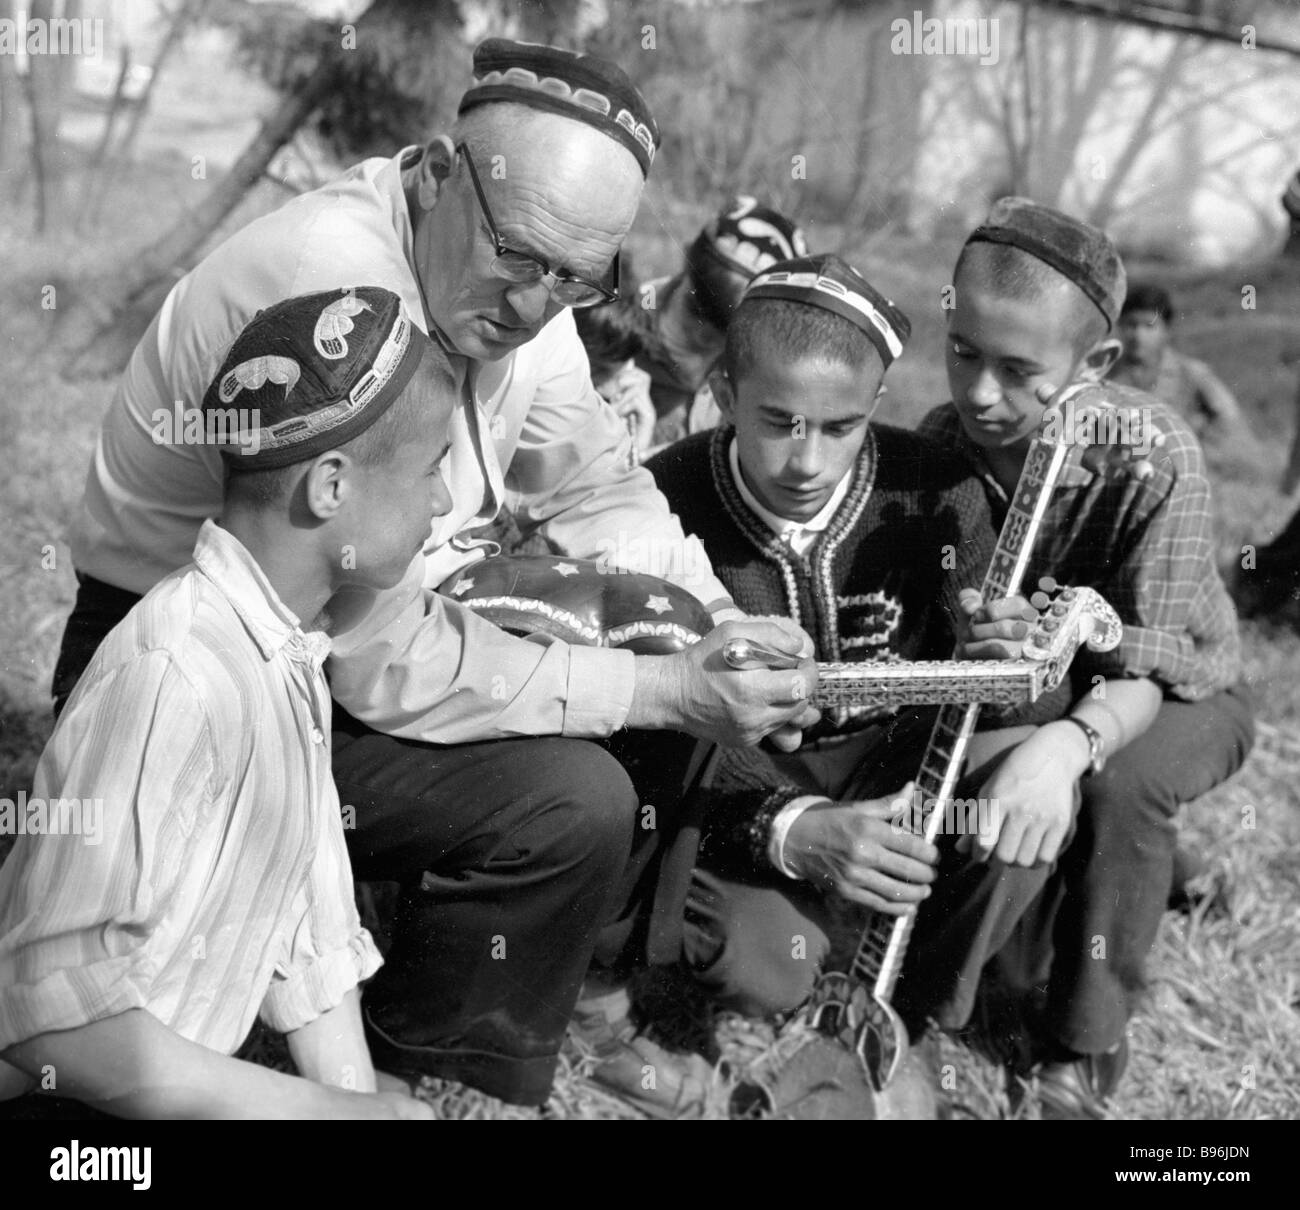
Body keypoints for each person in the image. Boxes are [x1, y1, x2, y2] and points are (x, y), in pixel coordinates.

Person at [50, 38, 819, 1115]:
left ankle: (539, 1016)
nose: (537, 304)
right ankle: (433, 1065)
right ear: (442, 169)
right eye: (522, 256)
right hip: (183, 667)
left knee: (639, 665)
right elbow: (373, 653)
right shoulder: (337, 290)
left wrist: (712, 620)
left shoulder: (516, 294)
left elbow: (593, 485)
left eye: (578, 275)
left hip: (312, 642)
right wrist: (656, 687)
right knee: (578, 791)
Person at [0, 288, 448, 1120]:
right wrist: (332, 1114)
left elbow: (308, 948)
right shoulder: (176, 675)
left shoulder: (287, 651)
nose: (445, 501)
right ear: (331, 486)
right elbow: (45, 1022)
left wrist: (353, 1106)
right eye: (432, 466)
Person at [917, 198, 1254, 1118]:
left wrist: (1068, 746)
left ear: (1095, 365)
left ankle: (1084, 1041)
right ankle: (1153, 882)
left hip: (1177, 686)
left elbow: (1149, 659)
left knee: (1119, 788)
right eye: (963, 352)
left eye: (1019, 370)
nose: (981, 393)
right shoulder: (946, 442)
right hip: (1045, 681)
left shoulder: (1155, 458)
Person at [646, 254, 1016, 1025]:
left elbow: (1019, 701)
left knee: (1017, 791)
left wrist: (1014, 665)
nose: (809, 462)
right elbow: (652, 731)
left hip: (901, 767)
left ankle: (926, 1014)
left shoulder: (938, 490)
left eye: (841, 426)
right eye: (778, 423)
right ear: (722, 395)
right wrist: (788, 827)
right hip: (734, 780)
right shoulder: (658, 500)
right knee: (768, 969)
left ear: (877, 403)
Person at [632, 195, 807, 453]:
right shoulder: (613, 330)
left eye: (727, 330)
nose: (705, 337)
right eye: (696, 310)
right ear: (687, 261)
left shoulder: (753, 377)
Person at [1109, 282, 1257, 458]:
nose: (1138, 335)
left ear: (1166, 330)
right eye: (1131, 325)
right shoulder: (1105, 370)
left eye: (1149, 326)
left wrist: (1196, 449)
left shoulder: (1191, 373)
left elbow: (1227, 416)